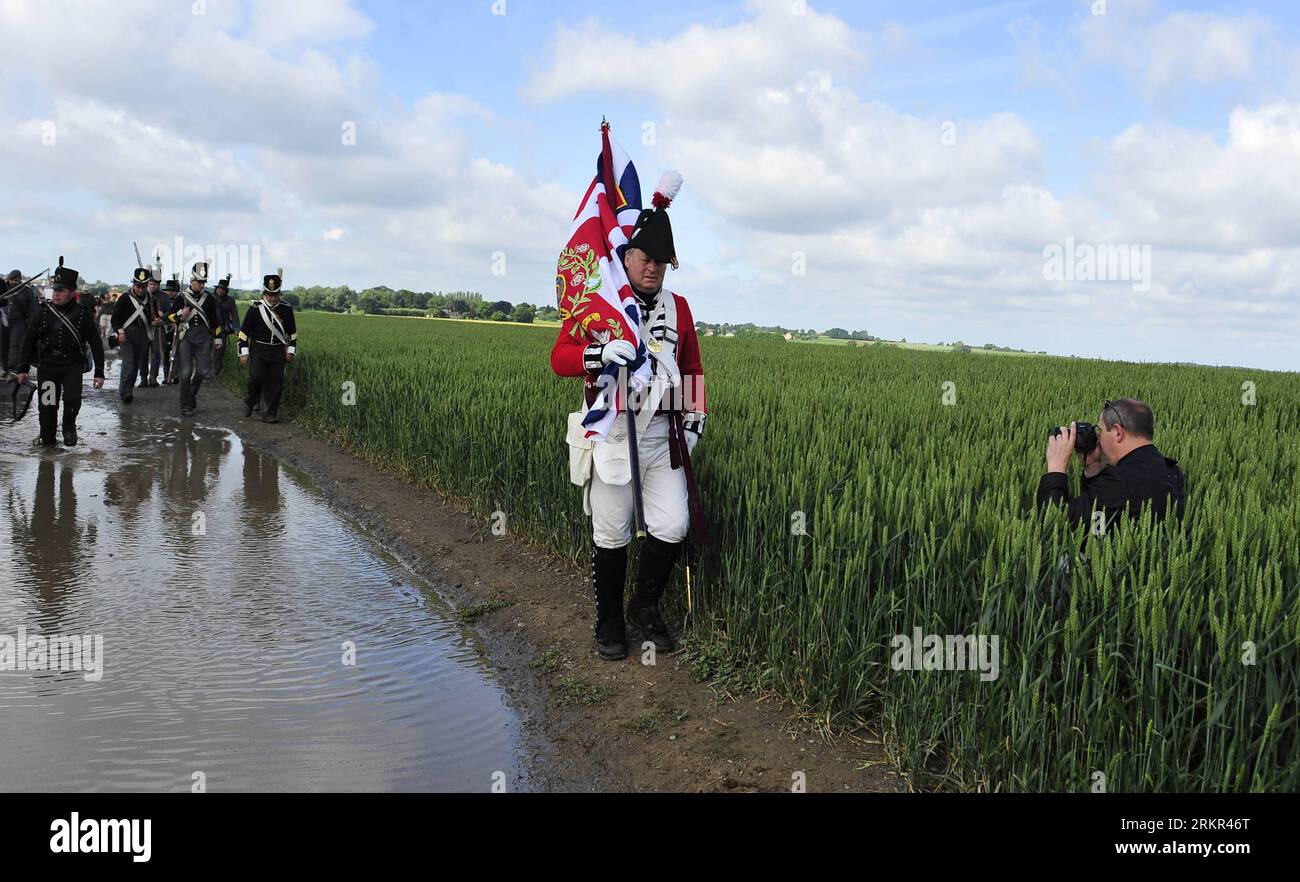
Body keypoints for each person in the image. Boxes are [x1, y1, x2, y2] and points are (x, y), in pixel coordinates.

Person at [550, 171, 707, 660]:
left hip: (662, 435)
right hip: (614, 433)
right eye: (646, 258)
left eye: (663, 261)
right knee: (612, 530)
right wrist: (597, 356)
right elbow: (559, 358)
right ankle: (610, 620)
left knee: (673, 524)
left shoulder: (678, 308)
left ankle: (644, 607)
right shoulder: (598, 306)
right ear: (626, 256)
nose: (655, 268)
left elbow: (692, 369)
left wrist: (693, 423)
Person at [1038, 398, 1186, 532]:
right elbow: (1099, 520)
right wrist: (1093, 465)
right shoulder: (1171, 470)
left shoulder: (1120, 482)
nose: (1098, 438)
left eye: (1100, 431)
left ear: (1118, 432)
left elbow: (1056, 524)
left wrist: (1056, 468)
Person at [15, 258, 106, 447]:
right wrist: (22, 368)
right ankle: (47, 441)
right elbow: (29, 341)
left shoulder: (82, 314)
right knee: (47, 406)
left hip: (72, 365)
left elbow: (96, 343)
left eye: (61, 290)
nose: (56, 294)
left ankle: (69, 427)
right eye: (55, 289)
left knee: (72, 399)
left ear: (72, 293)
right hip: (48, 366)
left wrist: (99, 372)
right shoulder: (43, 312)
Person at [163, 261, 223, 417]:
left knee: (203, 370)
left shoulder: (208, 298)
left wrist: (217, 337)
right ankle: (186, 405)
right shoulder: (182, 297)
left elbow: (215, 320)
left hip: (204, 337)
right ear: (192, 281)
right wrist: (179, 315)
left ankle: (190, 396)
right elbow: (168, 318)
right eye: (199, 282)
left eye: (203, 282)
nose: (202, 285)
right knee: (185, 372)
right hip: (187, 337)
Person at [237, 273, 296, 423]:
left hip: (277, 350)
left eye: (275, 294)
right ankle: (251, 401)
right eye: (270, 294)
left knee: (276, 383)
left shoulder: (286, 309)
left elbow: (293, 334)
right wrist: (243, 353)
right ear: (264, 293)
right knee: (257, 377)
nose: (273, 298)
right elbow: (244, 334)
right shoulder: (255, 309)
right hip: (259, 349)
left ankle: (270, 413)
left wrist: (291, 351)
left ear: (279, 294)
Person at [110, 267, 153, 403]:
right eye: (138, 286)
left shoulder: (150, 299)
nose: (140, 289)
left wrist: (156, 320)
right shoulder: (124, 298)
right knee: (128, 362)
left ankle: (129, 389)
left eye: (143, 287)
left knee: (136, 364)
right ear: (133, 285)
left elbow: (153, 316)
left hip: (143, 333)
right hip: (127, 334)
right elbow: (115, 319)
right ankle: (124, 391)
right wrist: (120, 332)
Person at [3, 269, 41, 377]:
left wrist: (33, 324)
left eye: (16, 280)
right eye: (12, 280)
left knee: (16, 345)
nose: (14, 282)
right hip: (3, 320)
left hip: (18, 321)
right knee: (3, 345)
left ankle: (13, 368)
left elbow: (33, 308)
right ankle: (3, 367)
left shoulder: (26, 291)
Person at [213, 275, 240, 377]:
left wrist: (236, 328)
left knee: (219, 352)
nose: (220, 291)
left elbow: (235, 315)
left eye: (223, 289)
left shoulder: (230, 301)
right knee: (205, 351)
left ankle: (216, 373)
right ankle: (205, 372)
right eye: (219, 288)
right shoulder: (211, 298)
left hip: (222, 328)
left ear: (226, 290)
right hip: (210, 327)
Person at [144, 271, 166, 387]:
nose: (152, 286)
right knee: (143, 354)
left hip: (158, 329)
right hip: (145, 328)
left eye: (154, 284)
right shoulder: (143, 296)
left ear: (158, 285)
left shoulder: (164, 296)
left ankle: (153, 378)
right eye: (150, 284)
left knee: (156, 354)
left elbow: (169, 314)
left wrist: (163, 318)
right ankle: (143, 378)